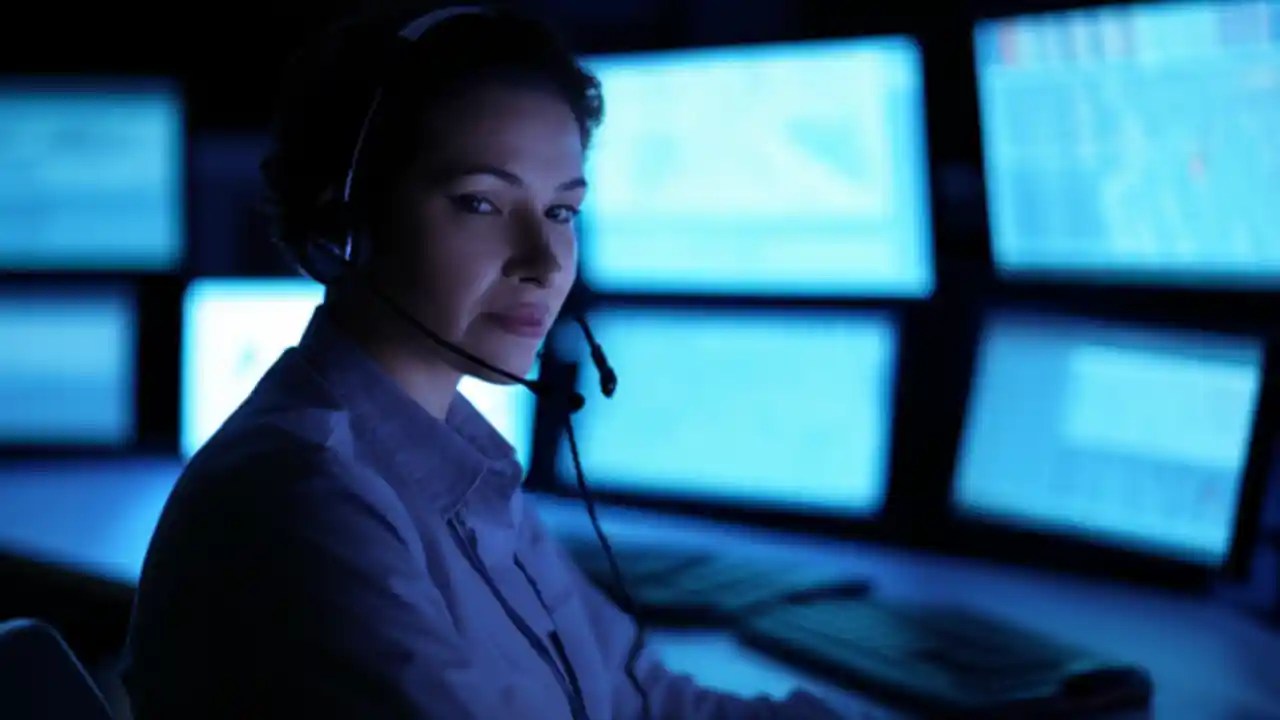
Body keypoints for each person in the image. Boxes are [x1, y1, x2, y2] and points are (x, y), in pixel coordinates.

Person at [122, 4, 852, 719]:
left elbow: (641, 701)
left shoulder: (460, 468)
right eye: (480, 203)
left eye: (562, 212)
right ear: (341, 225)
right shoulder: (307, 502)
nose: (543, 262)